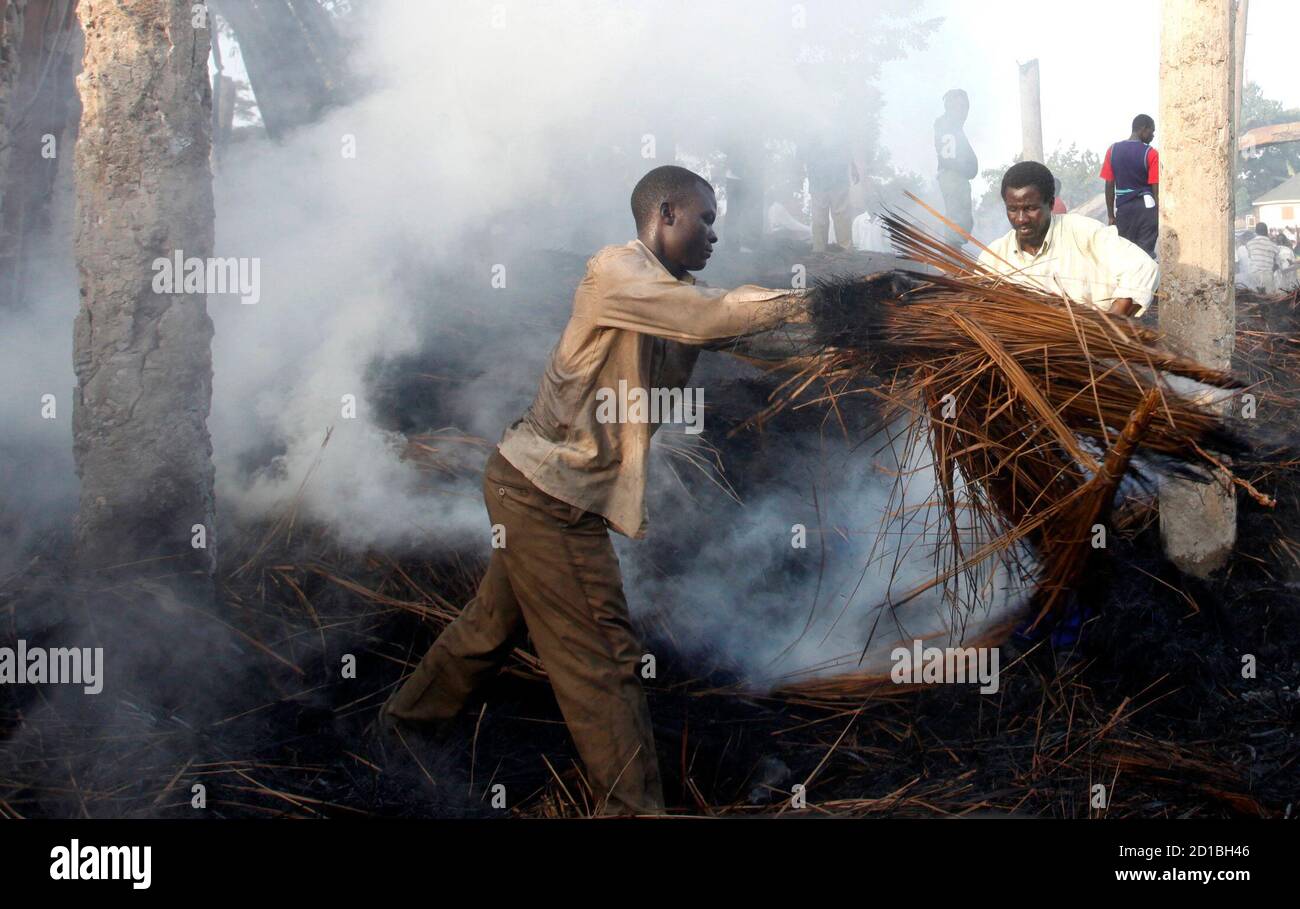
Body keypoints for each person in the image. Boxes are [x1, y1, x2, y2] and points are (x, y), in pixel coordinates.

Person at [381, 166, 817, 815]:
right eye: (706, 218)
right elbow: (714, 315)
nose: (715, 234)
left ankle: (403, 725)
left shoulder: (670, 290)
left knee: (491, 625)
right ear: (665, 212)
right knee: (606, 664)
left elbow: (742, 325)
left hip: (529, 488)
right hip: (549, 501)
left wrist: (859, 329)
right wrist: (834, 303)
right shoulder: (619, 272)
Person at [978, 161, 1158, 317]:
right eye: (1012, 209)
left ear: (1050, 204)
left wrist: (1110, 325)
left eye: (1030, 208)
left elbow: (1143, 268)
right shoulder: (993, 258)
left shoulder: (1083, 232)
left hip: (1092, 352)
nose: (1021, 219)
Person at [1101, 114, 1159, 258]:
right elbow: (1155, 188)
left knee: (1125, 255)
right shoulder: (1151, 153)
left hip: (1124, 210)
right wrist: (1159, 212)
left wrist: (1111, 215)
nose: (1153, 136)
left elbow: (1109, 185)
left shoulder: (1112, 150)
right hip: (1147, 209)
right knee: (1145, 256)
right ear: (1143, 129)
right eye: (1152, 131)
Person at [934, 88, 978, 246]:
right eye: (960, 107)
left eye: (966, 107)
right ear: (950, 107)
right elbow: (948, 157)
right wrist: (968, 168)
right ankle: (952, 257)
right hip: (953, 177)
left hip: (955, 177)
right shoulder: (947, 125)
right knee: (957, 219)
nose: (964, 112)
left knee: (962, 219)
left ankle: (954, 252)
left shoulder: (953, 127)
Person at [804, 135, 857, 253]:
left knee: (829, 214)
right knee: (837, 214)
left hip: (828, 176)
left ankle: (821, 249)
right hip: (827, 177)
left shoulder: (810, 124)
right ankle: (840, 249)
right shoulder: (836, 124)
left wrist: (852, 165)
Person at [1244, 221, 1283, 293]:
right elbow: (1278, 264)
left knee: (1254, 299)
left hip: (1254, 275)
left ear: (1256, 232)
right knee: (1269, 300)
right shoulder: (1274, 246)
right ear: (1266, 231)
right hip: (1267, 275)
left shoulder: (1249, 244)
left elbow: (1249, 260)